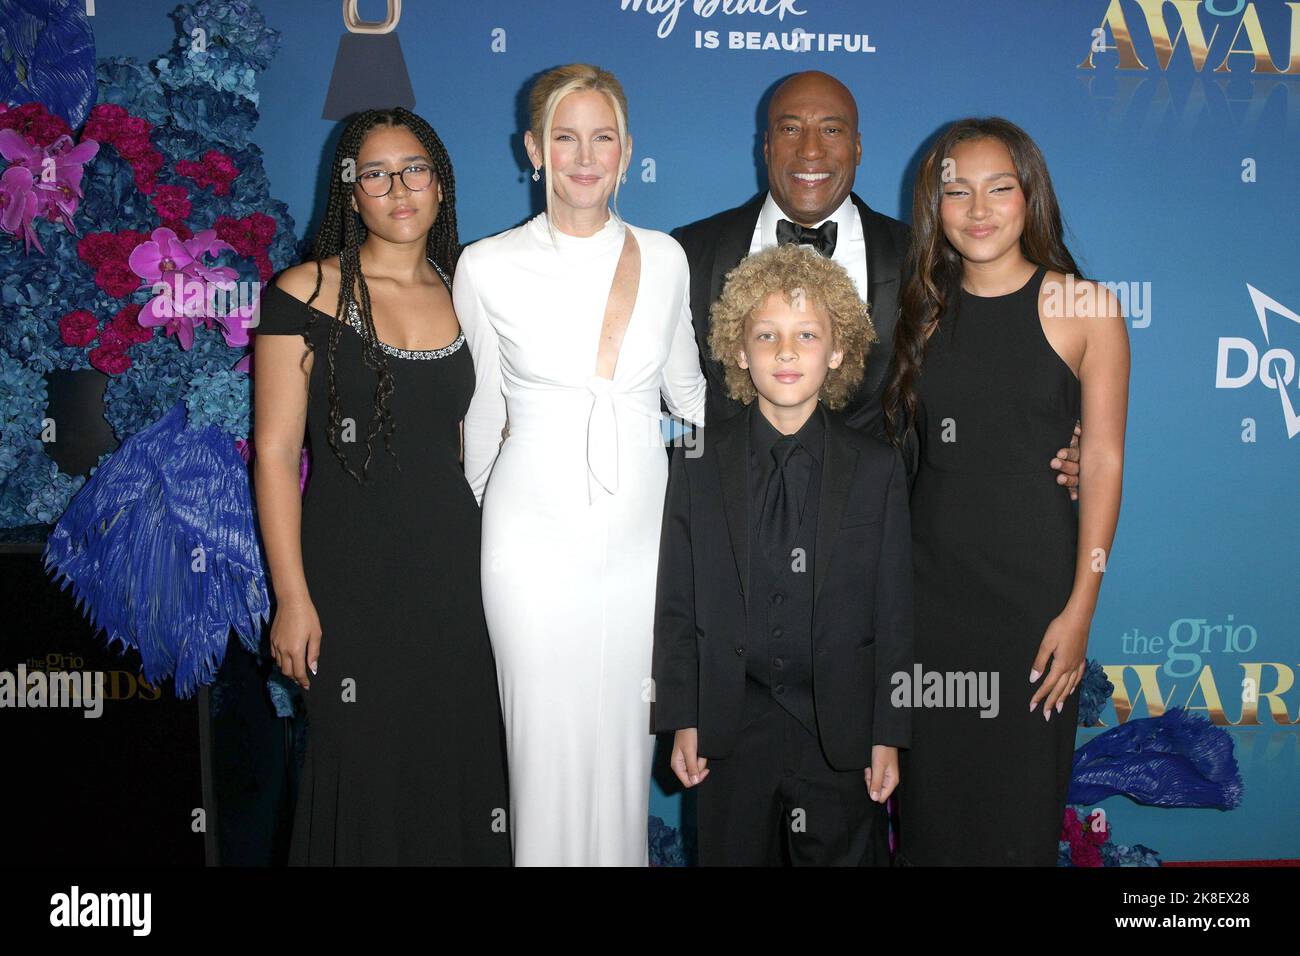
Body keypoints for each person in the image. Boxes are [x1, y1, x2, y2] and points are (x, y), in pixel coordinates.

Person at [453, 64, 707, 866]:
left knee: (625, 752)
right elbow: (480, 419)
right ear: (533, 149)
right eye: (565, 137)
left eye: (603, 138)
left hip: (640, 539)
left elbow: (691, 400)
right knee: (541, 751)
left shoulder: (665, 259)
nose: (584, 156)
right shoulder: (485, 266)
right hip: (529, 541)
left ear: (628, 152)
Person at [253, 107, 510, 865]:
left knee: (459, 766)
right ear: (350, 189)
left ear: (441, 182)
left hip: (457, 578)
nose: (399, 188)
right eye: (375, 173)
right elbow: (271, 455)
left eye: (415, 169)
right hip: (348, 580)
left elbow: (481, 440)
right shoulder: (303, 291)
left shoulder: (468, 290)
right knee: (358, 766)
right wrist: (292, 598)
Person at [886, 117, 1129, 865]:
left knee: (1020, 816)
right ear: (935, 204)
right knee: (931, 814)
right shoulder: (916, 311)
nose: (979, 209)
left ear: (1031, 196)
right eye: (957, 191)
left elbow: (1104, 461)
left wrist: (1080, 612)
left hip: (1033, 602)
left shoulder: (1087, 308)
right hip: (929, 602)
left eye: (999, 188)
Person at [672, 70, 1083, 494]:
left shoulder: (927, 261)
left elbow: (988, 377)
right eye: (791, 129)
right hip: (727, 520)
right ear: (766, 146)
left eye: (831, 129)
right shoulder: (689, 253)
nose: (810, 150)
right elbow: (643, 383)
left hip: (880, 525)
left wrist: (1064, 441)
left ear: (858, 147)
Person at [652, 243, 912, 865]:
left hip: (841, 734)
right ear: (739, 351)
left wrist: (889, 732)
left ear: (840, 350)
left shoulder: (877, 468)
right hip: (731, 730)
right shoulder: (695, 462)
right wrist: (683, 716)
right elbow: (677, 600)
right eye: (766, 335)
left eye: (807, 335)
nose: (787, 352)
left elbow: (895, 612)